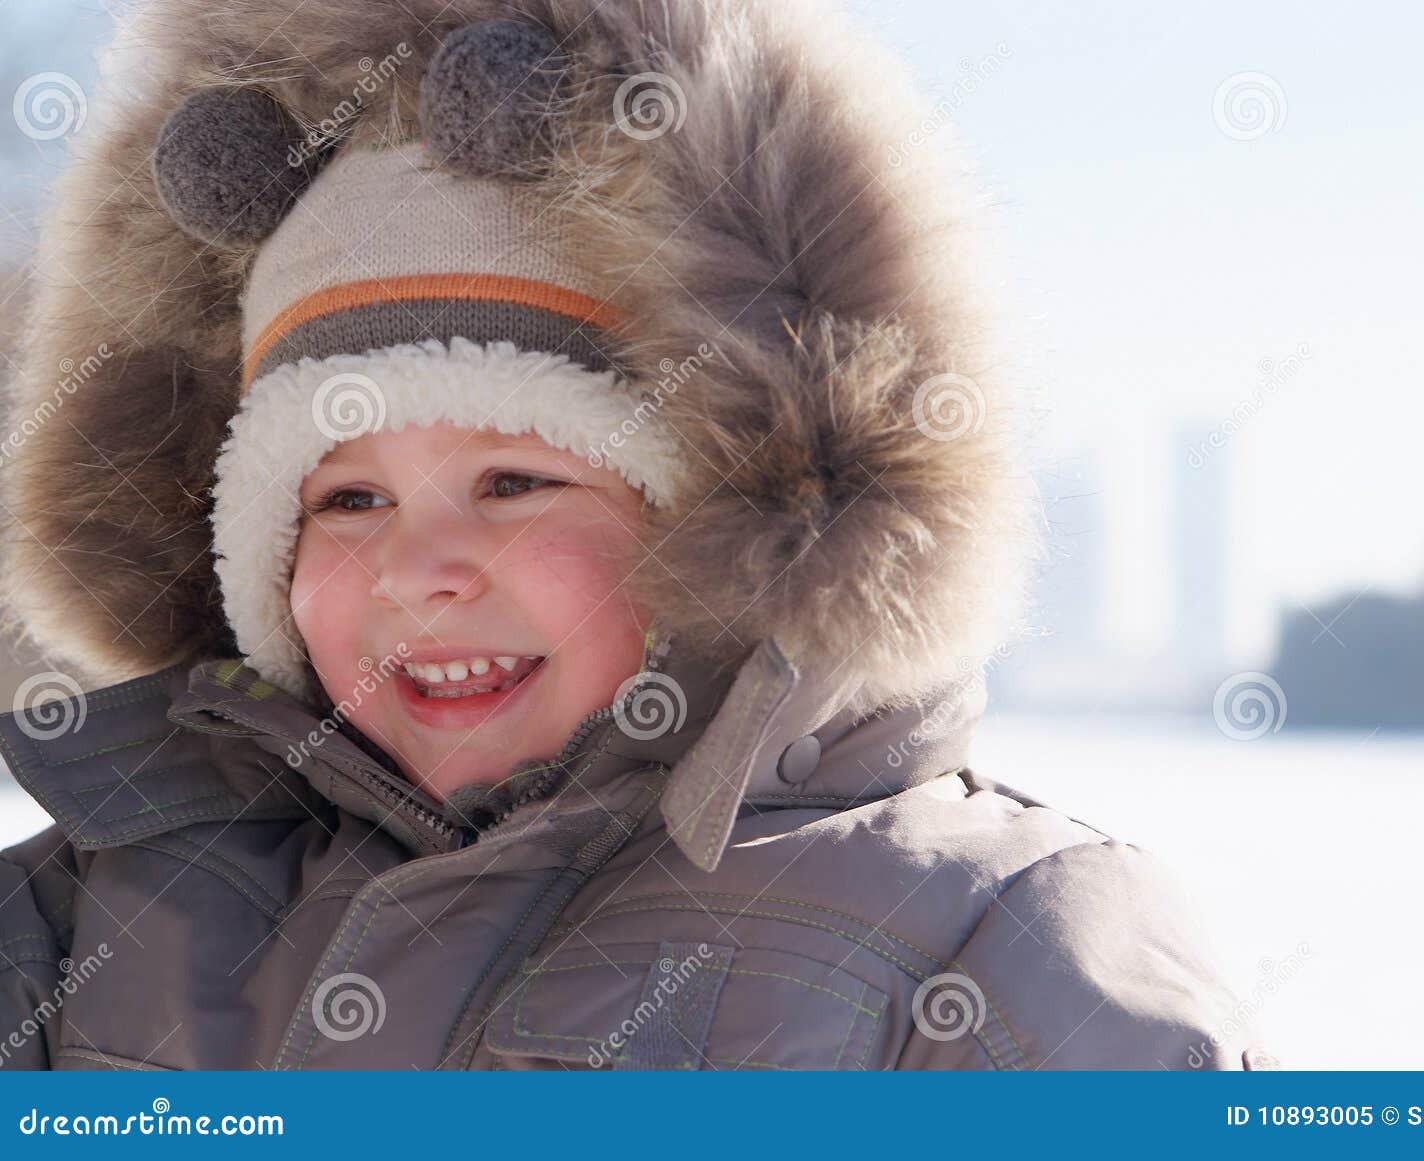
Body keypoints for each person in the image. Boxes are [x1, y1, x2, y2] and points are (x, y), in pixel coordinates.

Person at [0, 0, 1271, 1070]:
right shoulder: (97, 918)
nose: (417, 571)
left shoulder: (996, 950)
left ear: (720, 518)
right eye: (347, 499)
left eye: (513, 482)